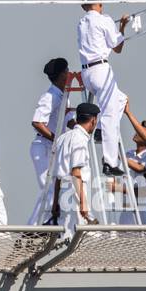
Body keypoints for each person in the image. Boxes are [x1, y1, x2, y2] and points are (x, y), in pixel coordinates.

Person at [76, 0, 130, 176]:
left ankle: (99, 131)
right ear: (100, 3)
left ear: (83, 5)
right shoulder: (104, 20)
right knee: (110, 115)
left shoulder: (82, 23)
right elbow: (117, 47)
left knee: (121, 99)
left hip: (87, 73)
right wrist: (122, 27)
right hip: (101, 69)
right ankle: (109, 161)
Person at [28, 57, 71, 223]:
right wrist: (56, 139)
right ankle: (32, 231)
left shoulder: (64, 95)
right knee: (49, 190)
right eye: (67, 71)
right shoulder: (50, 96)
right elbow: (37, 122)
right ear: (62, 75)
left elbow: (68, 118)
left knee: (58, 190)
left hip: (53, 149)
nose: (70, 74)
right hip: (43, 147)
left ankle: (45, 224)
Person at [51, 102, 99, 239]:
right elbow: (76, 173)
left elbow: (57, 175)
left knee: (67, 233)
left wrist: (55, 203)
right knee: (76, 238)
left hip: (63, 191)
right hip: (76, 192)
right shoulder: (80, 139)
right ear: (93, 120)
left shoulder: (62, 138)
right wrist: (84, 203)